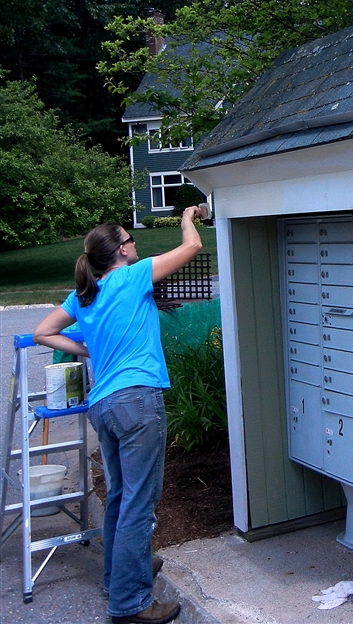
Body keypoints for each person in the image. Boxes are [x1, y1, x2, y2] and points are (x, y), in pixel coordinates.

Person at [34, 205, 205, 624]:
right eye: (130, 240)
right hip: (136, 403)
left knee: (118, 498)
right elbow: (194, 245)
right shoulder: (132, 276)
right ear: (121, 252)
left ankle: (120, 578)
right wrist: (188, 217)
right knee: (137, 505)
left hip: (105, 407)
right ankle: (130, 603)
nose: (135, 245)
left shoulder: (85, 296)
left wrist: (91, 348)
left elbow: (43, 332)